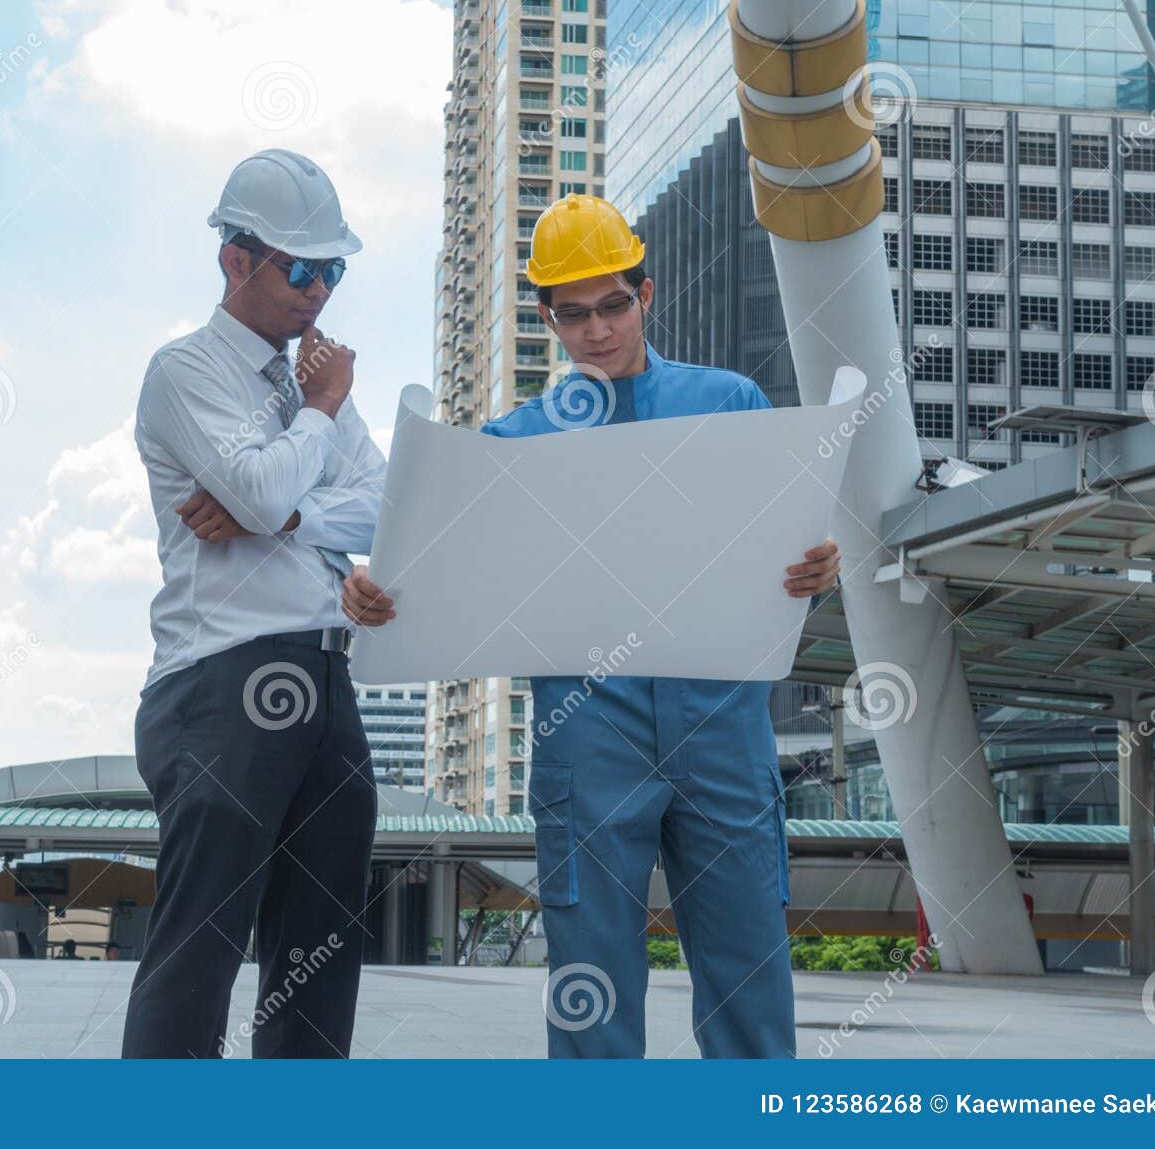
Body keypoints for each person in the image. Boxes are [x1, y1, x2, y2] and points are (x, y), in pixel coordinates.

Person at [344, 193, 840, 1059]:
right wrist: (373, 595)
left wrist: (817, 573)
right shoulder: (509, 443)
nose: (598, 331)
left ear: (646, 294)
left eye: (613, 305)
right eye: (574, 314)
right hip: (589, 733)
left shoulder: (731, 403)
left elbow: (784, 554)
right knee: (591, 988)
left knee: (749, 980)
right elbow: (437, 579)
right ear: (547, 317)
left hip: (723, 725)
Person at [122, 148, 385, 1059]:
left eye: (334, 272)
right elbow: (265, 491)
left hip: (326, 671)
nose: (319, 293)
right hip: (221, 681)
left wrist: (284, 505)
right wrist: (317, 419)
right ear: (237, 260)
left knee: (320, 948)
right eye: (302, 269)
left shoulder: (308, 383)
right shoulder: (187, 370)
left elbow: (383, 503)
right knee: (198, 950)